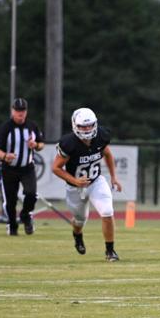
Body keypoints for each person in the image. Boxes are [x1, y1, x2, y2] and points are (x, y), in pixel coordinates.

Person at [52, 108, 122, 261]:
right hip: (75, 188)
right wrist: (75, 181)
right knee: (79, 220)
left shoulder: (101, 136)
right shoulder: (68, 143)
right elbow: (55, 168)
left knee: (107, 211)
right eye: (83, 126)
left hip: (96, 181)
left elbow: (108, 154)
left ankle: (110, 251)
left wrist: (113, 177)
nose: (87, 129)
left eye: (89, 125)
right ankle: (77, 236)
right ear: (75, 126)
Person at [0, 98, 45, 235]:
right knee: (10, 201)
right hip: (9, 169)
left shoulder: (32, 126)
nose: (20, 114)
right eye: (17, 111)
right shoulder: (6, 128)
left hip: (27, 168)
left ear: (26, 112)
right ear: (12, 111)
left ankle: (25, 215)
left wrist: (36, 145)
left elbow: (41, 144)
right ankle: (12, 225)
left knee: (31, 194)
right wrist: (5, 156)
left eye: (23, 111)